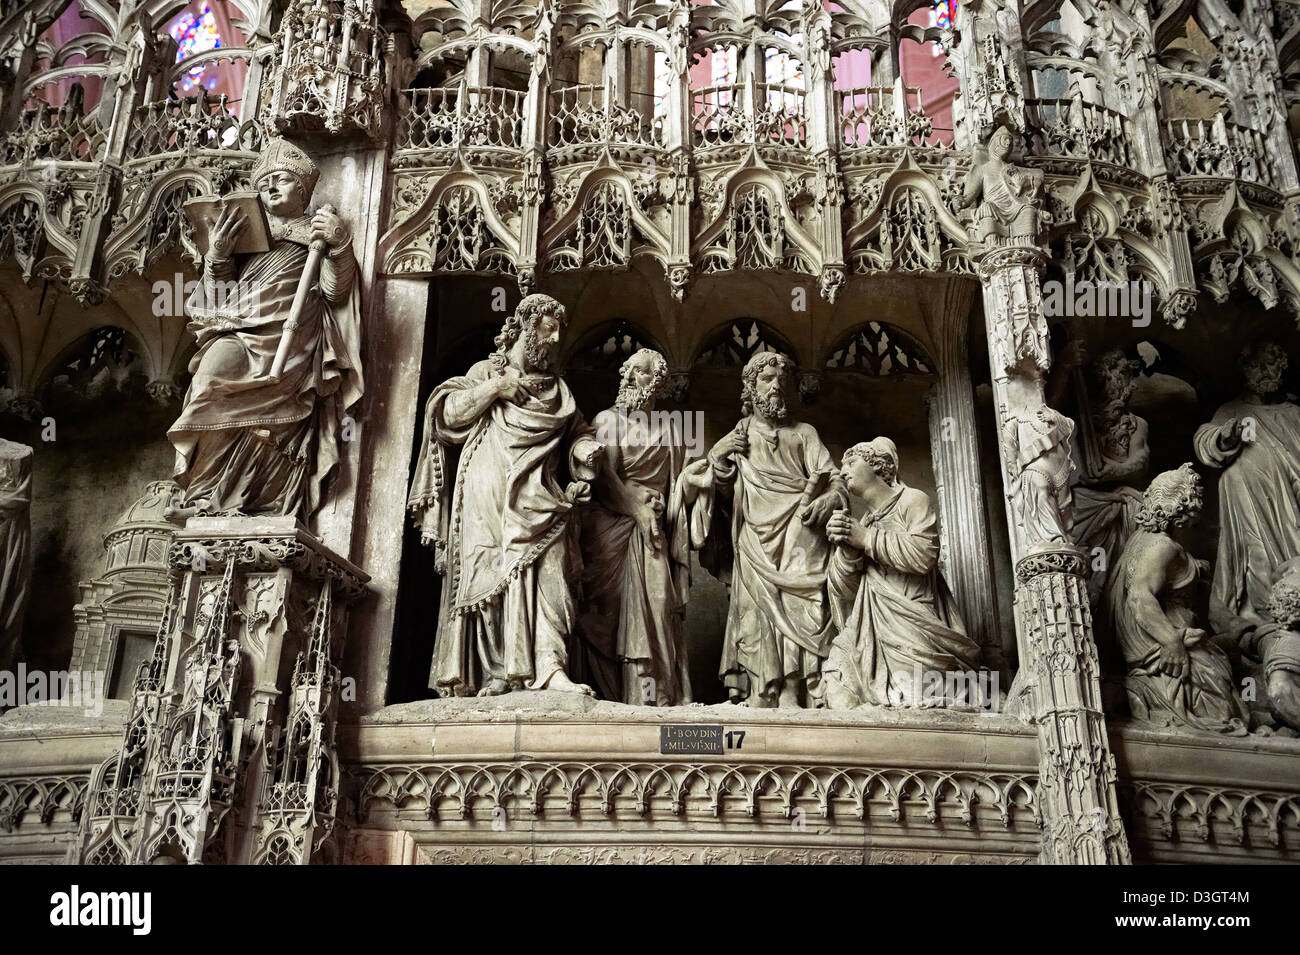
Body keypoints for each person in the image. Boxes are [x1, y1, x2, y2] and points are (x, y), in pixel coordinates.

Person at [408, 294, 604, 697]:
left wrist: (584, 453)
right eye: (547, 329)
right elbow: (446, 416)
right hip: (486, 488)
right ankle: (495, 673)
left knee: (553, 573)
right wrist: (497, 388)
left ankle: (549, 668)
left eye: (558, 332)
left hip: (539, 495)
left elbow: (578, 432)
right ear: (525, 327)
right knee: (487, 572)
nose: (553, 340)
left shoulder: (559, 391)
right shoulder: (486, 371)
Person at [166, 137, 363, 521]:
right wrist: (217, 257)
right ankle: (203, 492)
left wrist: (338, 245)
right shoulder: (249, 236)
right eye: (265, 181)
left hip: (291, 341)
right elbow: (215, 298)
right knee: (208, 382)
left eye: (282, 179)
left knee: (269, 427)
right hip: (239, 327)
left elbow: (336, 293)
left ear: (304, 190)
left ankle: (240, 498)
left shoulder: (317, 233)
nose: (271, 187)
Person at [685, 352, 840, 707]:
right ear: (751, 387)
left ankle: (793, 691)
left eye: (781, 381)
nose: (776, 387)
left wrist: (829, 500)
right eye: (767, 379)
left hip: (802, 535)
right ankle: (763, 689)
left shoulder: (804, 434)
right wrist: (719, 458)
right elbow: (723, 495)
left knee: (803, 607)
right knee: (756, 611)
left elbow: (835, 480)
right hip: (755, 536)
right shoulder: (740, 433)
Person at [821, 439, 982, 709]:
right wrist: (847, 549)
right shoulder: (864, 522)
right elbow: (845, 591)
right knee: (838, 686)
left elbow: (924, 555)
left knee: (917, 700)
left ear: (879, 465)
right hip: (867, 628)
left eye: (851, 462)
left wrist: (865, 539)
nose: (842, 470)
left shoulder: (912, 501)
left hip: (912, 621)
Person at [573, 348, 693, 705]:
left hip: (653, 531)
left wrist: (701, 478)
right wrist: (636, 508)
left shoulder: (669, 431)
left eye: (639, 373)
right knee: (607, 615)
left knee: (658, 605)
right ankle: (621, 697)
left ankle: (654, 696)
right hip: (612, 528)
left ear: (656, 383)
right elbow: (605, 480)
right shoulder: (608, 421)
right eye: (627, 371)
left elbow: (678, 486)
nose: (627, 378)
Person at [1105, 465, 1248, 735]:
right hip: (1170, 649)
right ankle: (1151, 695)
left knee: (1228, 649)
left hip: (1179, 639)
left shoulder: (1143, 539)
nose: (1197, 512)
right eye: (1194, 502)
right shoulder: (1162, 547)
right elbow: (1139, 596)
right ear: (1179, 506)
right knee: (1223, 715)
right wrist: (1171, 642)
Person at [1193, 340, 1300, 636]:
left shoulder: (1295, 413)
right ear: (1244, 371)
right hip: (1248, 506)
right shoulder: (1233, 410)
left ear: (1282, 367)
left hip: (1292, 506)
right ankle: (1266, 621)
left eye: (1270, 363)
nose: (1263, 371)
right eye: (1255, 365)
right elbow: (1206, 440)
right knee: (1258, 560)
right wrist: (1225, 438)